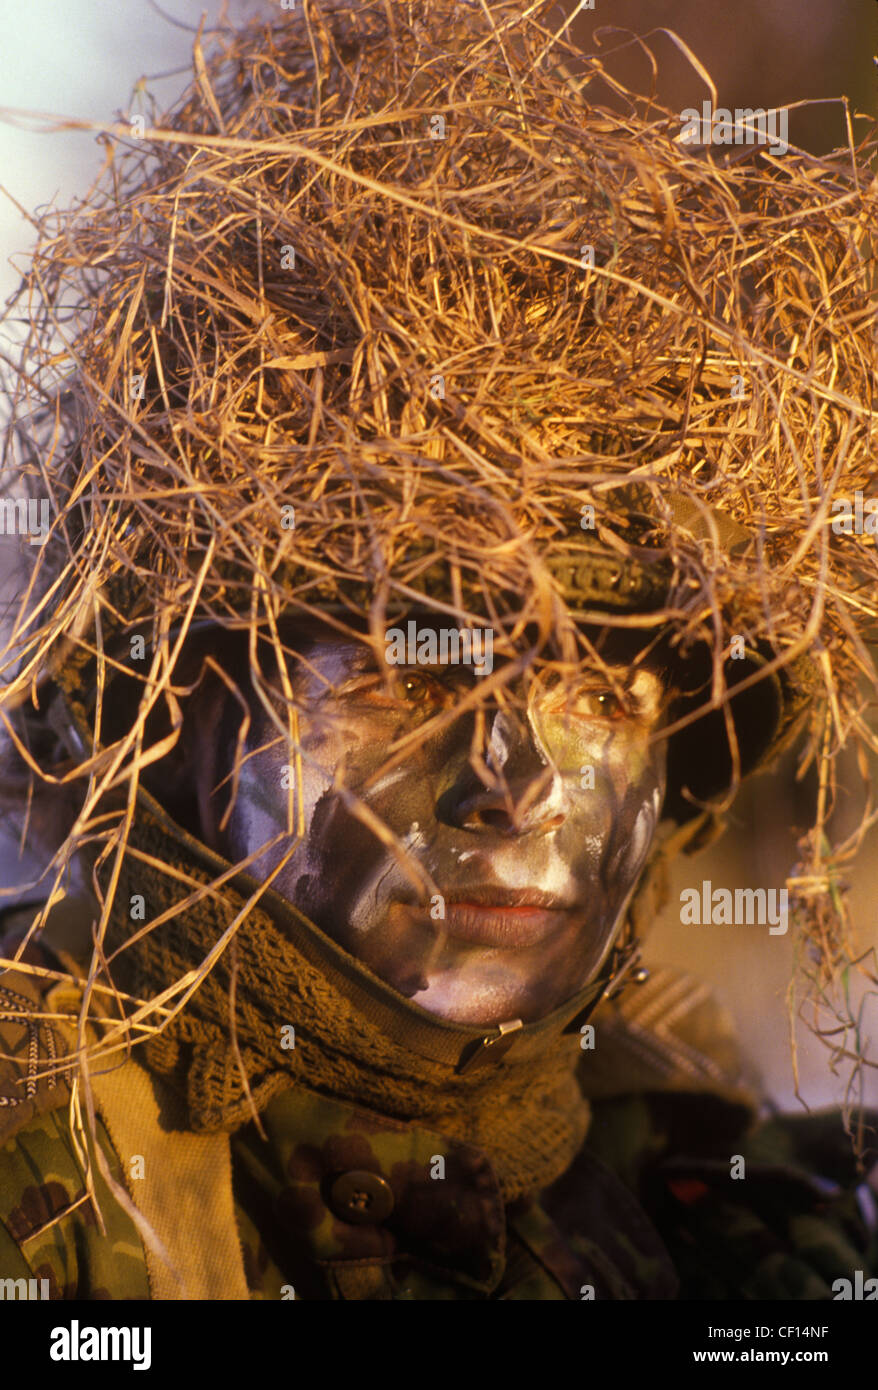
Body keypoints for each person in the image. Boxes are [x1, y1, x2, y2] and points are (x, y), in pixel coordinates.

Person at [0, 0, 875, 1300]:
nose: (509, 783)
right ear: (187, 710)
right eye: (413, 677)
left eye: (590, 687)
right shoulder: (42, 1135)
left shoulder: (689, 1173)